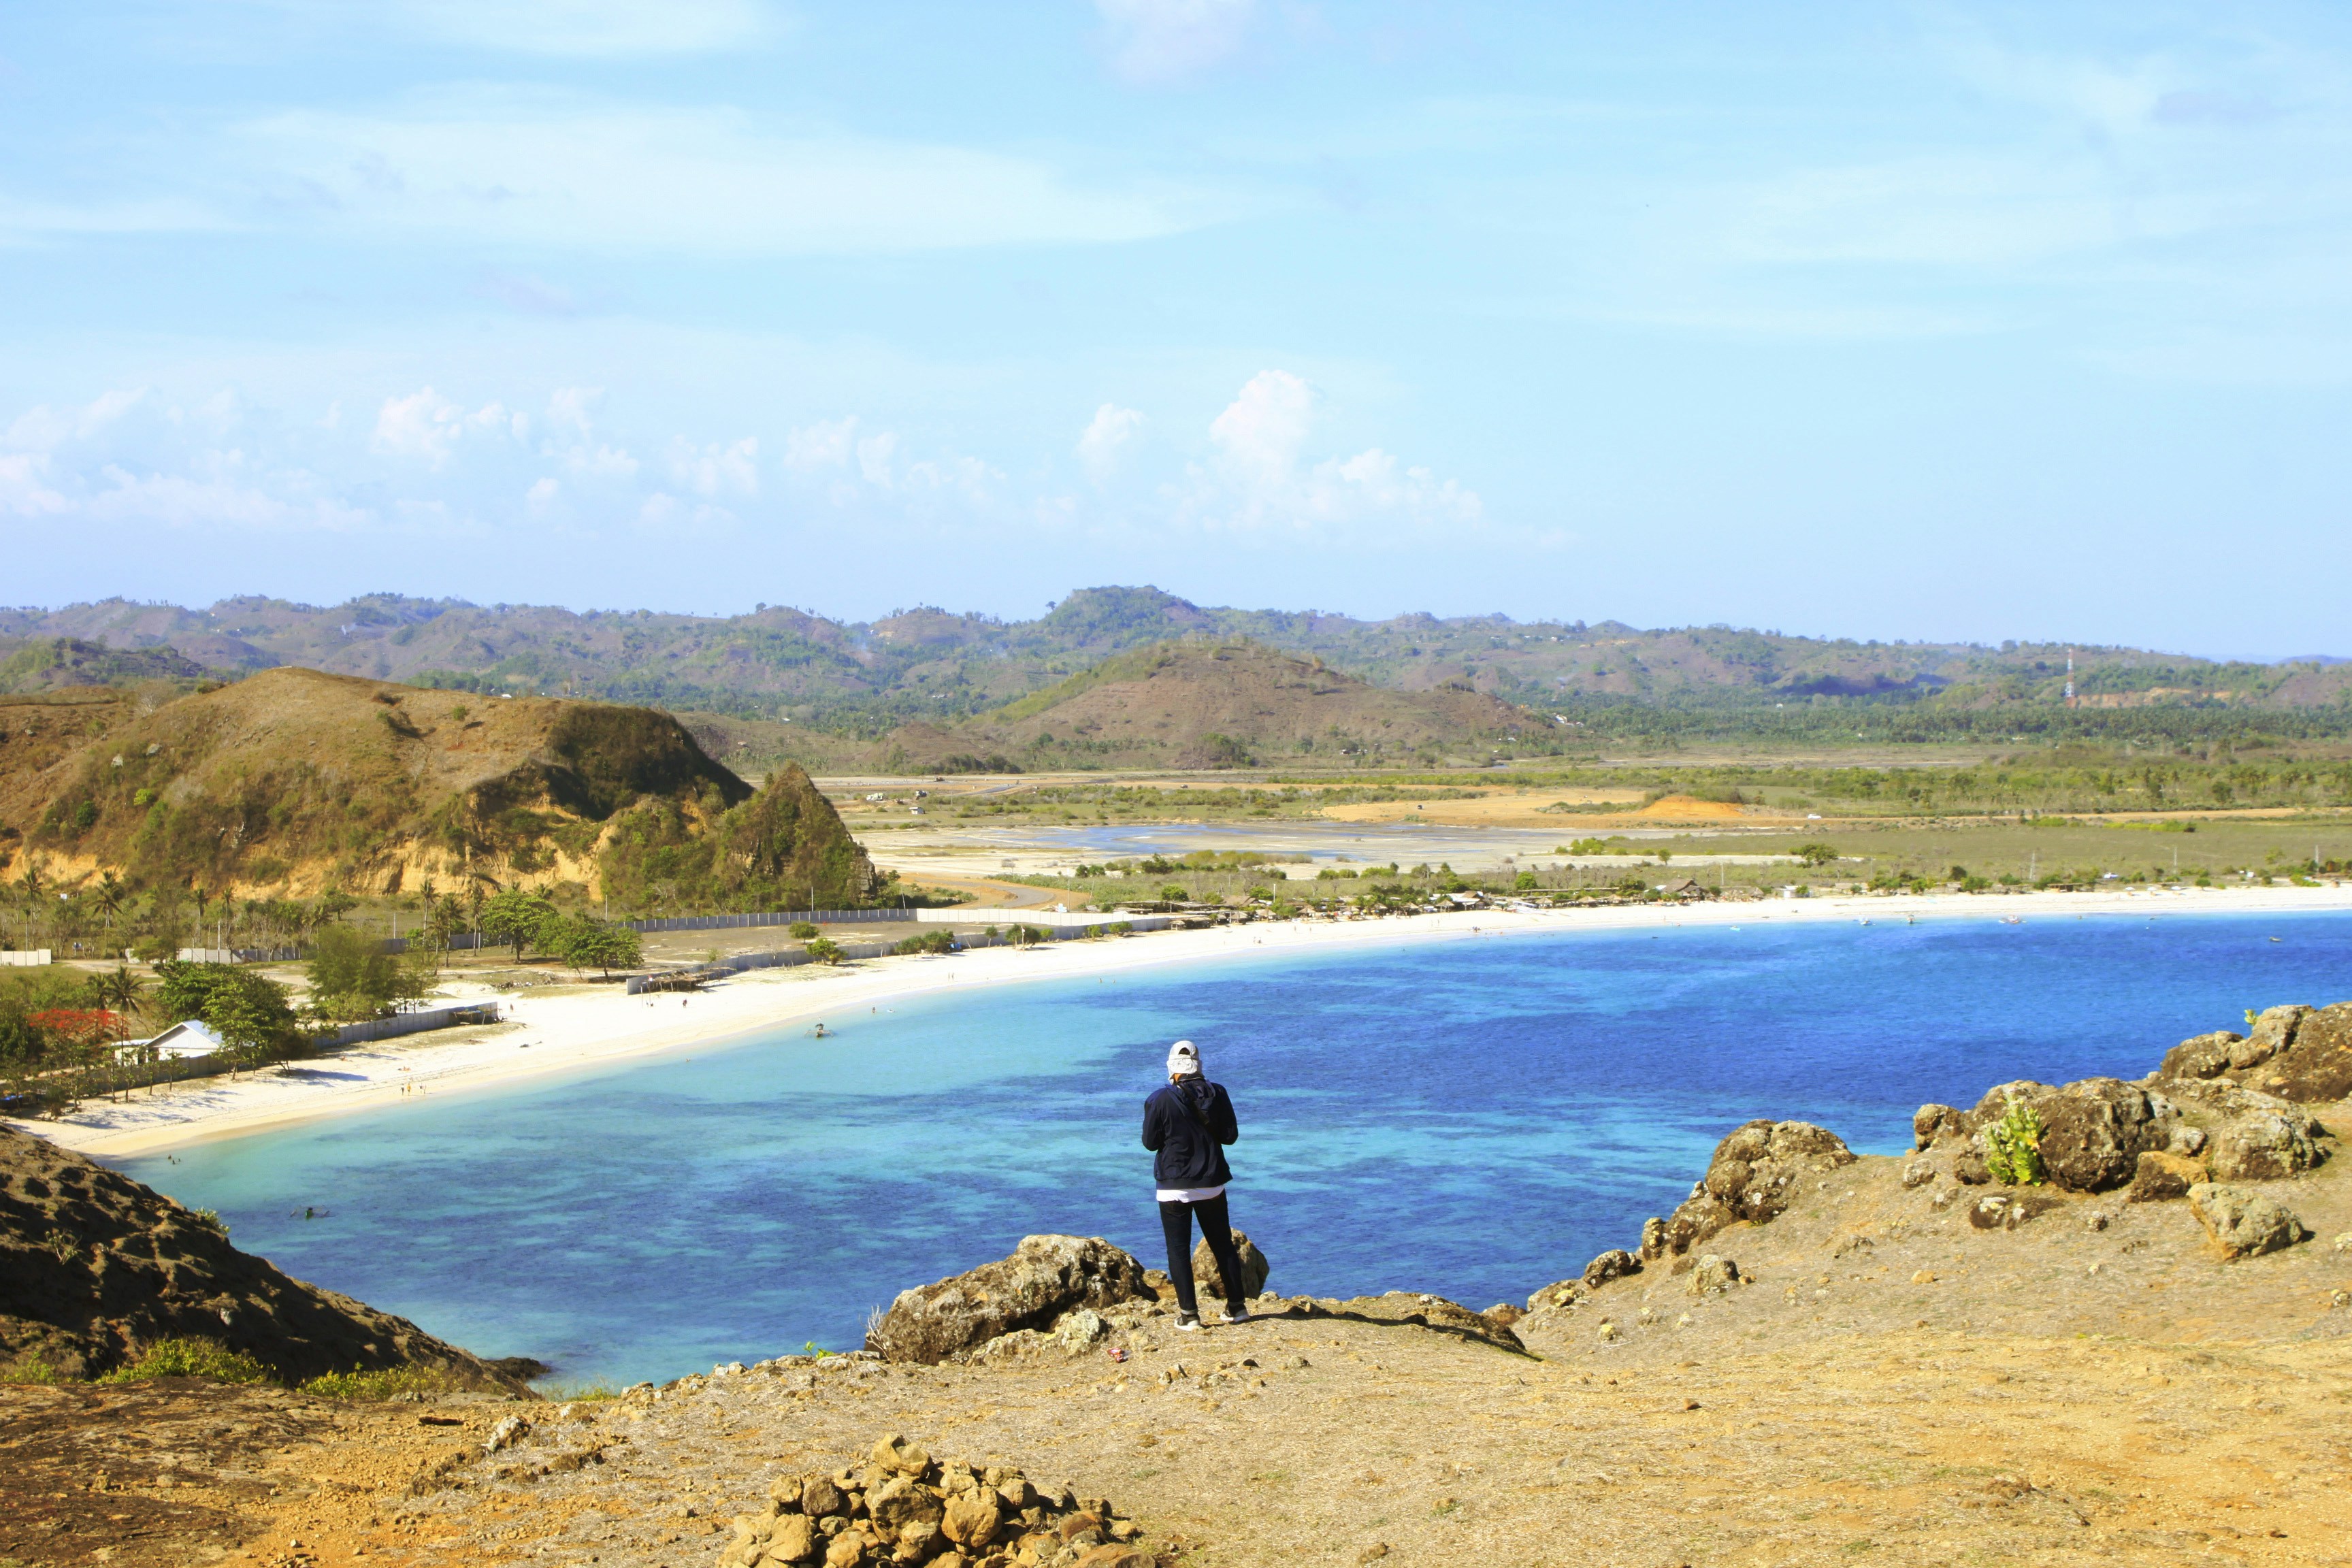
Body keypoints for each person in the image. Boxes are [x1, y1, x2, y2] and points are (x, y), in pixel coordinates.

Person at [1141, 1039, 1250, 1331]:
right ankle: (1237, 1308)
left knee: (1178, 1250)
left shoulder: (1159, 1099)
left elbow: (1150, 1143)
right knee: (1222, 1245)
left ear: (1172, 1067)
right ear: (1198, 1064)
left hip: (1173, 1184)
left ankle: (1190, 1315)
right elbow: (1230, 1137)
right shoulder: (1218, 1092)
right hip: (1212, 1181)